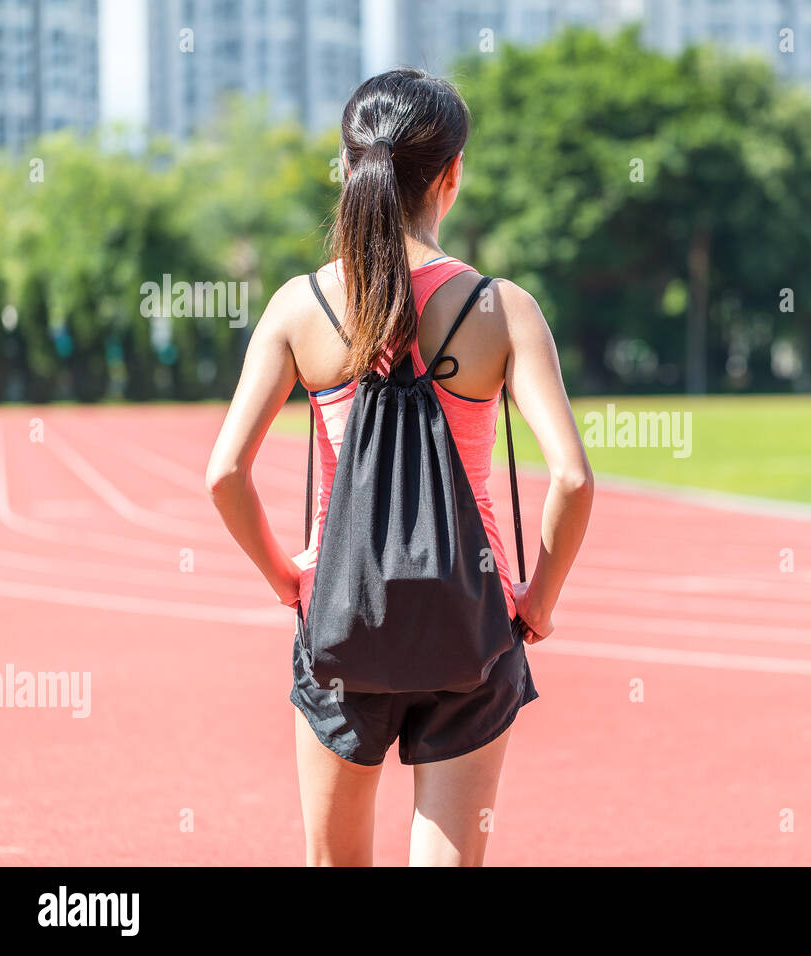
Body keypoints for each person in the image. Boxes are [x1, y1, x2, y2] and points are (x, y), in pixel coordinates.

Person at [205, 68, 594, 866]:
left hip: (343, 620)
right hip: (471, 619)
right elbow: (574, 479)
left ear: (349, 169)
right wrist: (538, 603)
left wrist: (286, 578)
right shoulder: (502, 308)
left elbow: (224, 475)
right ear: (452, 176)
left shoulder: (299, 307)